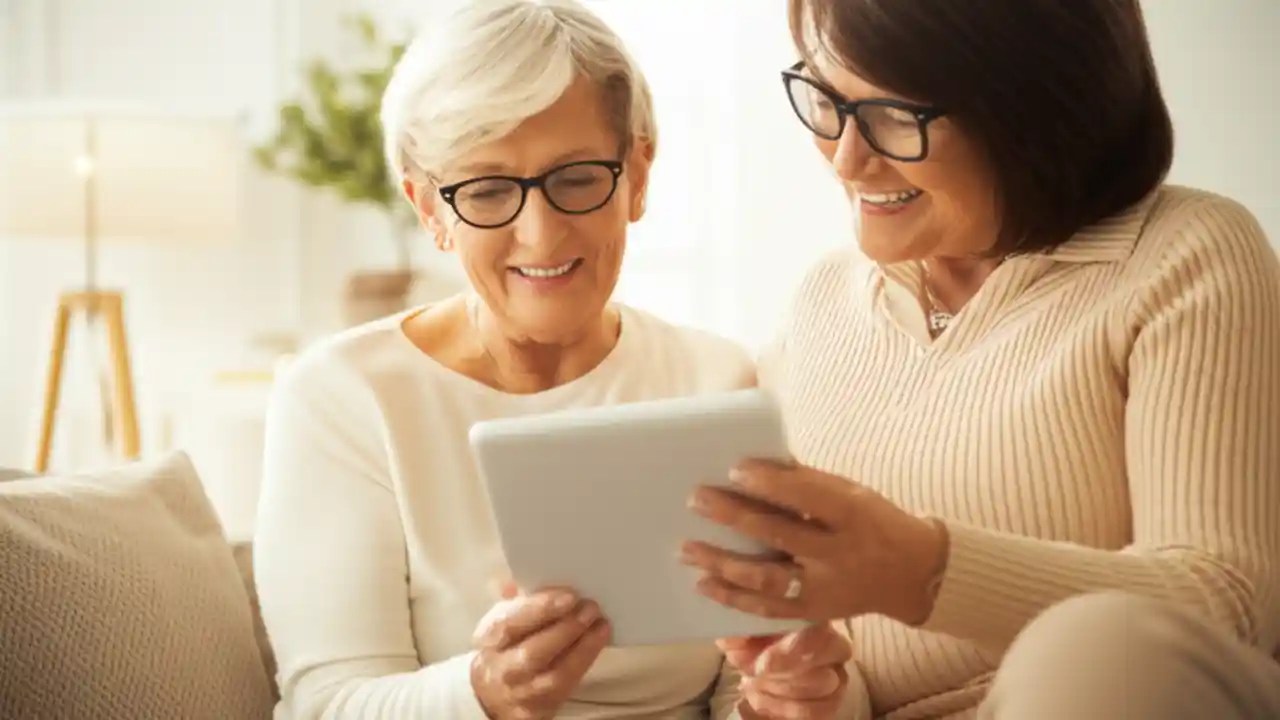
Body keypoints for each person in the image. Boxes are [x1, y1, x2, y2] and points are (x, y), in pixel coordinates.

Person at [253, 1, 855, 718]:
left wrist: (794, 696)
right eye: (486, 191)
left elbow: (761, 685)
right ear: (429, 209)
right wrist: (484, 693)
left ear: (637, 174)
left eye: (575, 179)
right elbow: (326, 704)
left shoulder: (719, 383)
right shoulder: (344, 397)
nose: (540, 235)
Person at [680, 1, 1280, 718]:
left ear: (1033, 109)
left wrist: (922, 572)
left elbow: (1225, 606)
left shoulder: (1182, 254)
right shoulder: (821, 302)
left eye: (894, 115)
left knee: (1095, 644)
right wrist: (807, 693)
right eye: (827, 99)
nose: (846, 158)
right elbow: (790, 667)